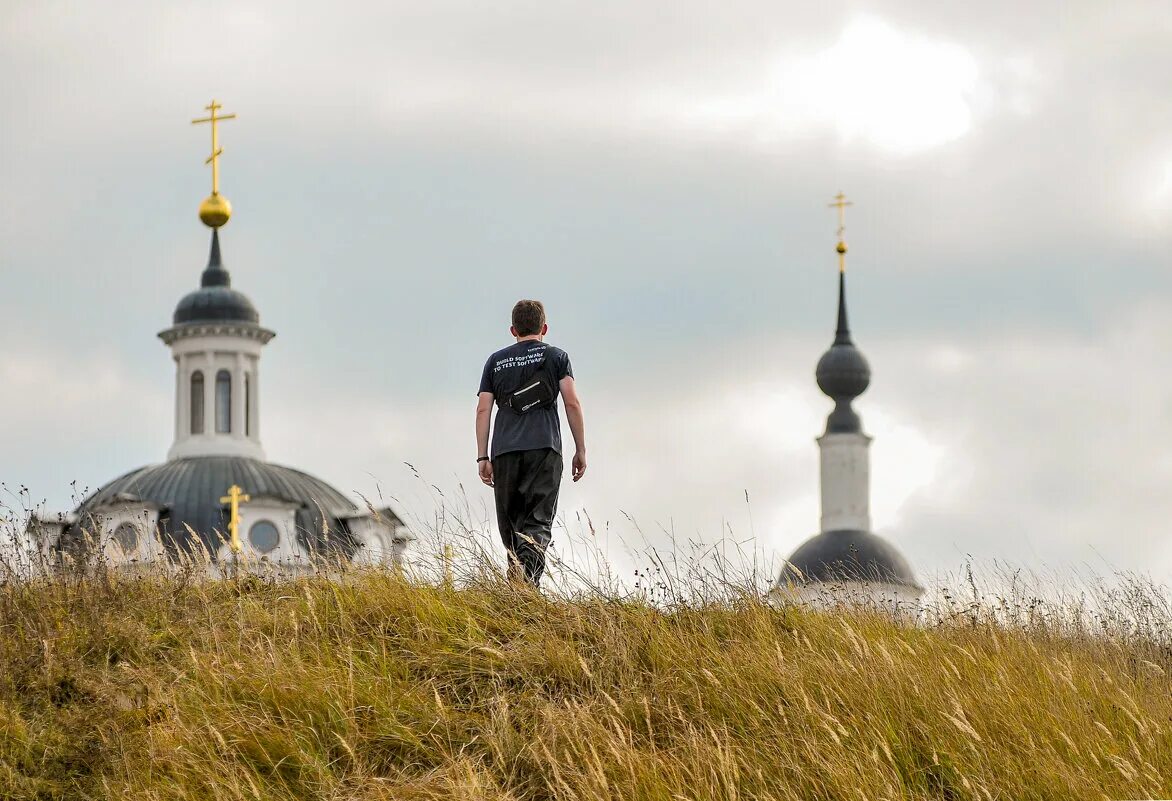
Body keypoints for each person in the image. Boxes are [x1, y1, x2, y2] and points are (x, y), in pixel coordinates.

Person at [475, 299, 586, 586]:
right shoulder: (557, 357)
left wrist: (482, 457)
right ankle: (525, 583)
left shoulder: (495, 361)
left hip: (505, 451)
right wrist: (580, 449)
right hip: (544, 448)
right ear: (544, 328)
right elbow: (572, 403)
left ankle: (520, 588)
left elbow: (483, 409)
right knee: (537, 521)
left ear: (513, 330)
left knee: (512, 526)